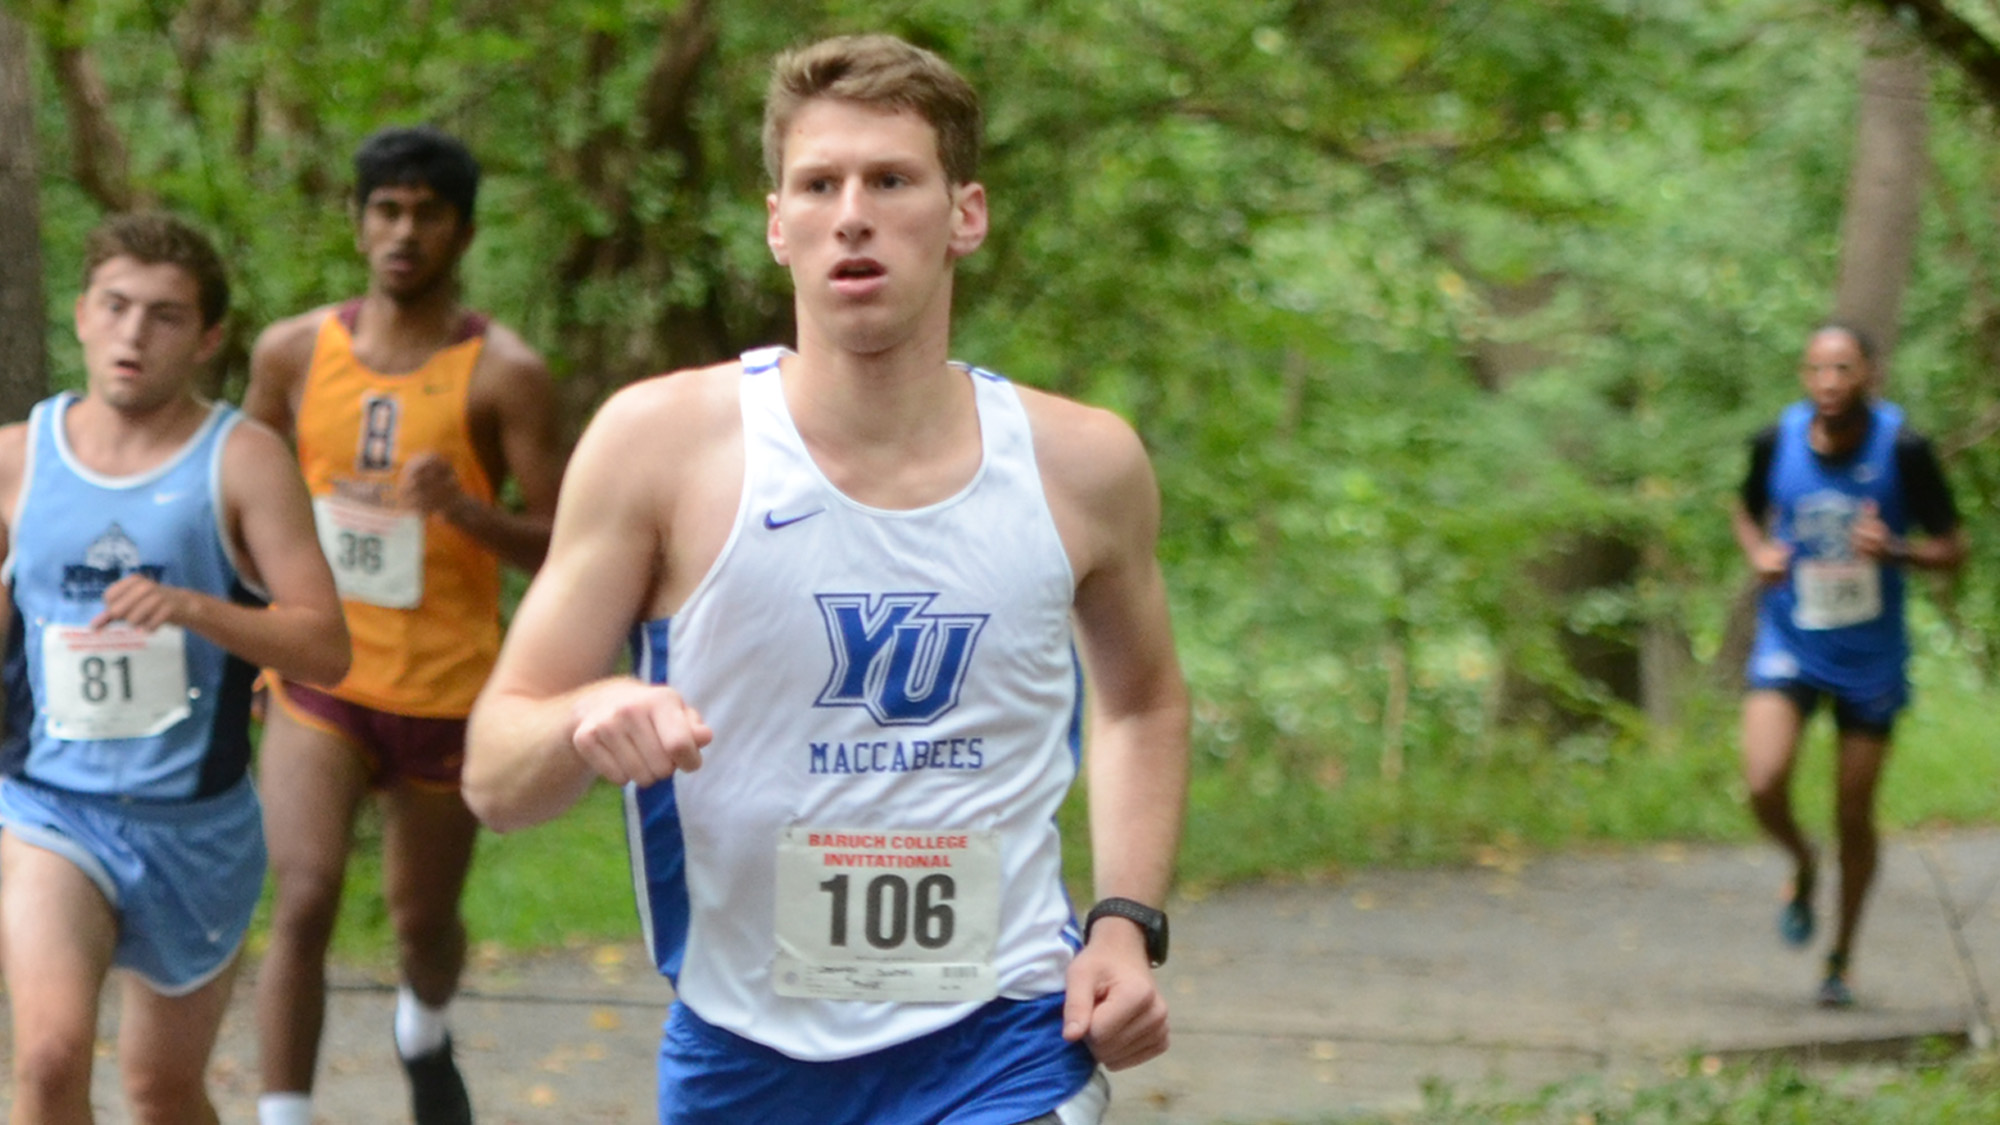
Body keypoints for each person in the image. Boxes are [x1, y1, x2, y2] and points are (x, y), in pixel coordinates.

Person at [462, 33, 1188, 1125]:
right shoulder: (661, 445)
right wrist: (587, 713)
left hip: (1003, 1036)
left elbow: (1142, 700)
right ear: (776, 223)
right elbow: (493, 772)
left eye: (891, 180)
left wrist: (1124, 924)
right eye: (819, 184)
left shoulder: (1080, 463)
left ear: (964, 215)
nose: (852, 212)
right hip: (741, 1045)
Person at [243, 126, 567, 1125]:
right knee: (302, 898)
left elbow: (567, 544)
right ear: (357, 223)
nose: (404, 231)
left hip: (445, 688)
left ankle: (421, 1026)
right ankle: (284, 1113)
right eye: (386, 209)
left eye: (427, 213)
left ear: (462, 233)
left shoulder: (505, 373)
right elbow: (237, 489)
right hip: (319, 676)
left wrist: (468, 513)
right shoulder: (293, 352)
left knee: (423, 925)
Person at [0, 213, 350, 1123]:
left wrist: (195, 607)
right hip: (49, 808)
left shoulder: (242, 462)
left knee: (161, 1089)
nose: (132, 334)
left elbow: (325, 644)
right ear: (79, 315)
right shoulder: (15, 461)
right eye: (115, 306)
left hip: (196, 827)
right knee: (46, 1058)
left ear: (207, 338)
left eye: (163, 315)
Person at [1733, 322, 1966, 1008]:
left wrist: (1897, 550)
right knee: (1762, 780)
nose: (1829, 383)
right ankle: (1802, 863)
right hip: (1791, 640)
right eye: (1816, 369)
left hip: (1870, 657)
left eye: (1843, 369)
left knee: (1853, 811)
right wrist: (1759, 552)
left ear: (1869, 372)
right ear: (1805, 377)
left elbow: (1954, 547)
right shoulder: (1775, 440)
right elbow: (1746, 513)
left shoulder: (1906, 448)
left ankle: (1840, 957)